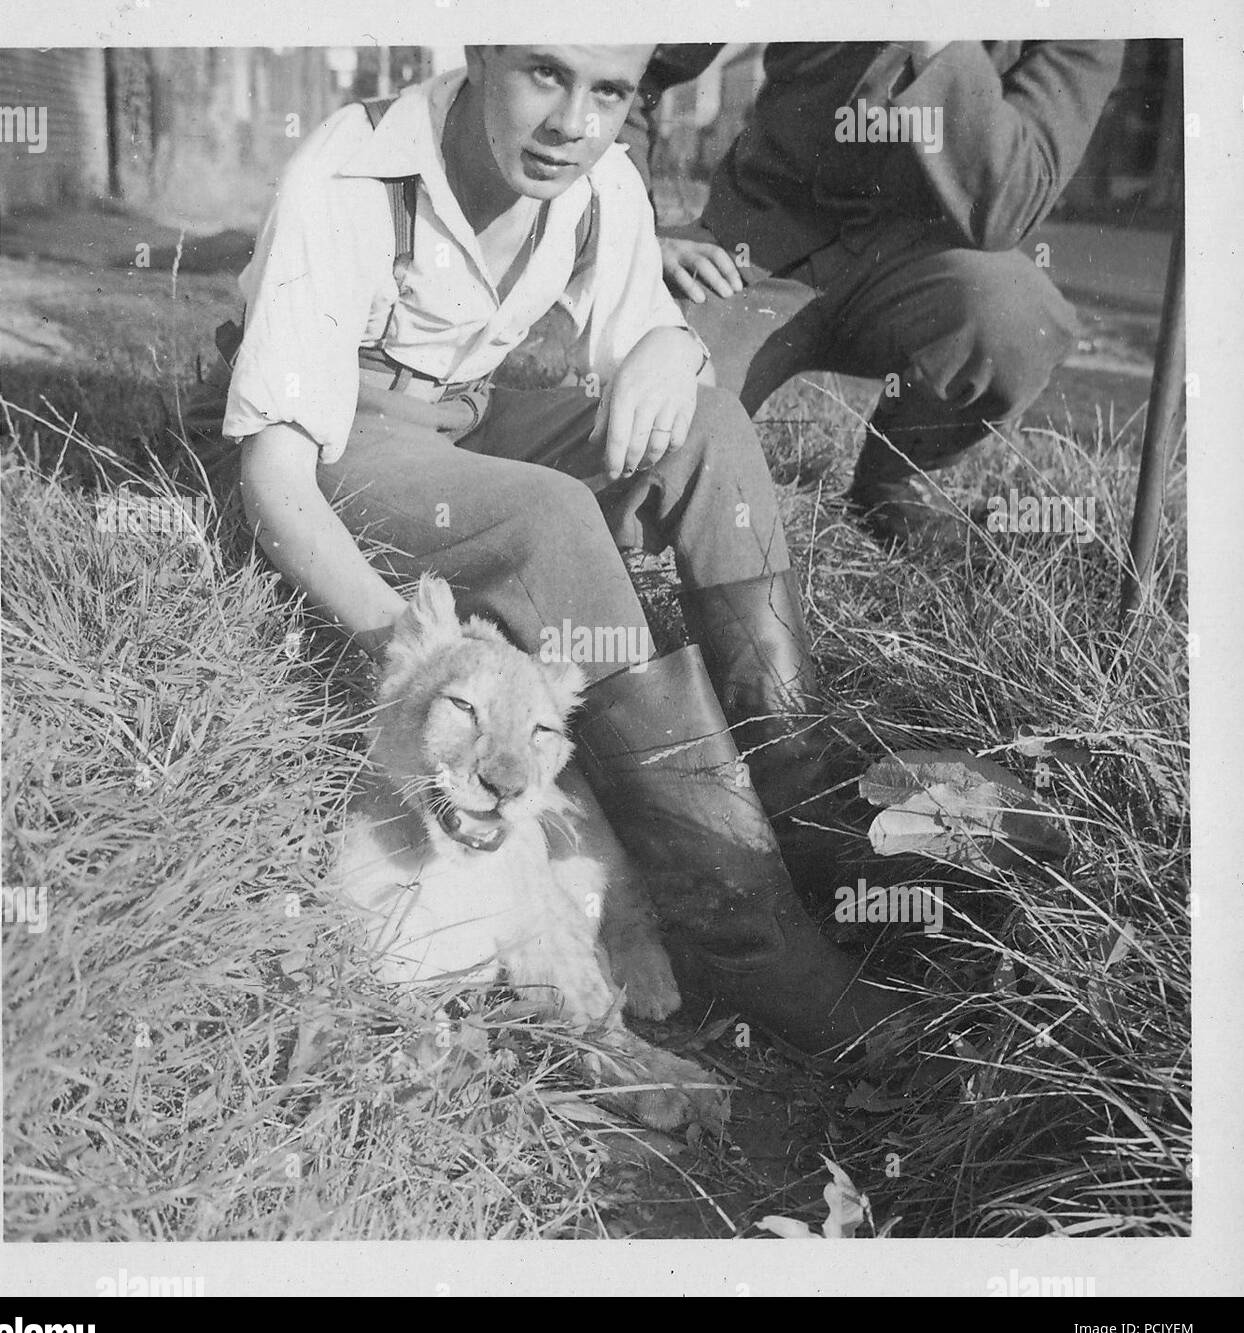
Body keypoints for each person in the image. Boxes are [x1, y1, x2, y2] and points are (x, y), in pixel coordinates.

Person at [186, 45, 901, 1054]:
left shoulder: (599, 179)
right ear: (481, 51)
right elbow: (276, 479)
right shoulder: (353, 170)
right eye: (544, 74)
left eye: (608, 90)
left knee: (711, 428)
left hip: (463, 414)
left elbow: (655, 337)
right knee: (551, 518)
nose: (573, 121)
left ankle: (808, 823)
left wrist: (670, 348)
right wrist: (404, 639)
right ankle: (747, 934)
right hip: (330, 432)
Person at [622, 41, 1126, 546]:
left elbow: (1010, 204)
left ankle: (895, 480)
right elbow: (628, 61)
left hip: (919, 273)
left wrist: (939, 44)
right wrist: (635, 229)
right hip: (749, 256)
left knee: (1018, 319)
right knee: (637, 477)